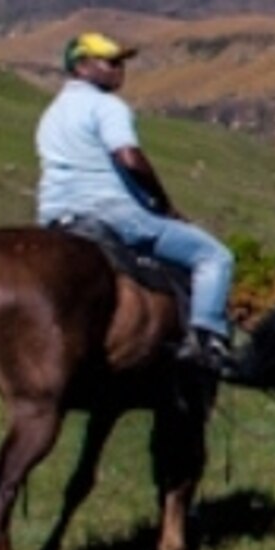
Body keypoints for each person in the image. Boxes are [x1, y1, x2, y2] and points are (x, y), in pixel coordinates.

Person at [34, 31, 239, 372]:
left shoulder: (50, 115)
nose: (119, 69)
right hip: (111, 213)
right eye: (110, 62)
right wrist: (163, 204)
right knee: (214, 256)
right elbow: (129, 158)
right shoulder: (106, 106)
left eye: (121, 62)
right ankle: (207, 341)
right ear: (81, 66)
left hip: (56, 217)